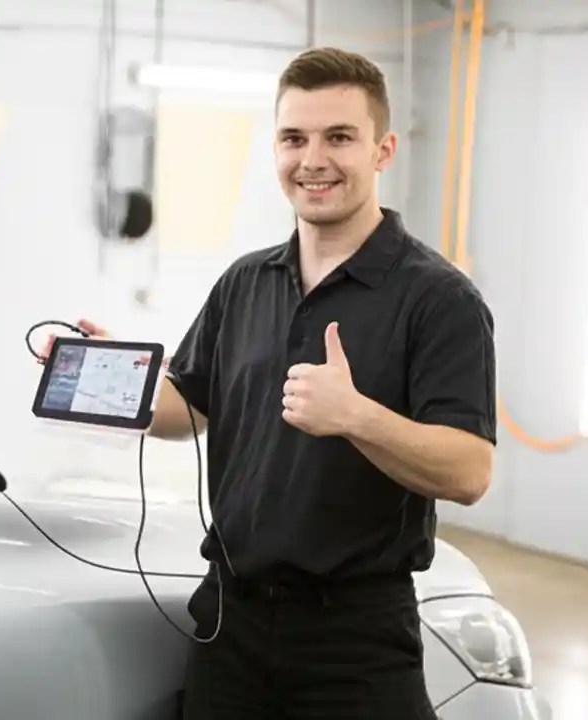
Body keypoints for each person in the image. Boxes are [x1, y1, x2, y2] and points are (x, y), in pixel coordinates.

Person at [43, 47, 496, 718]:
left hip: (356, 638)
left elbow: (469, 472)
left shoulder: (437, 299)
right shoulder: (246, 282)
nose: (312, 159)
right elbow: (190, 407)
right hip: (232, 622)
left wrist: (356, 417)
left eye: (339, 137)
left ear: (383, 150)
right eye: (294, 138)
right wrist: (117, 379)